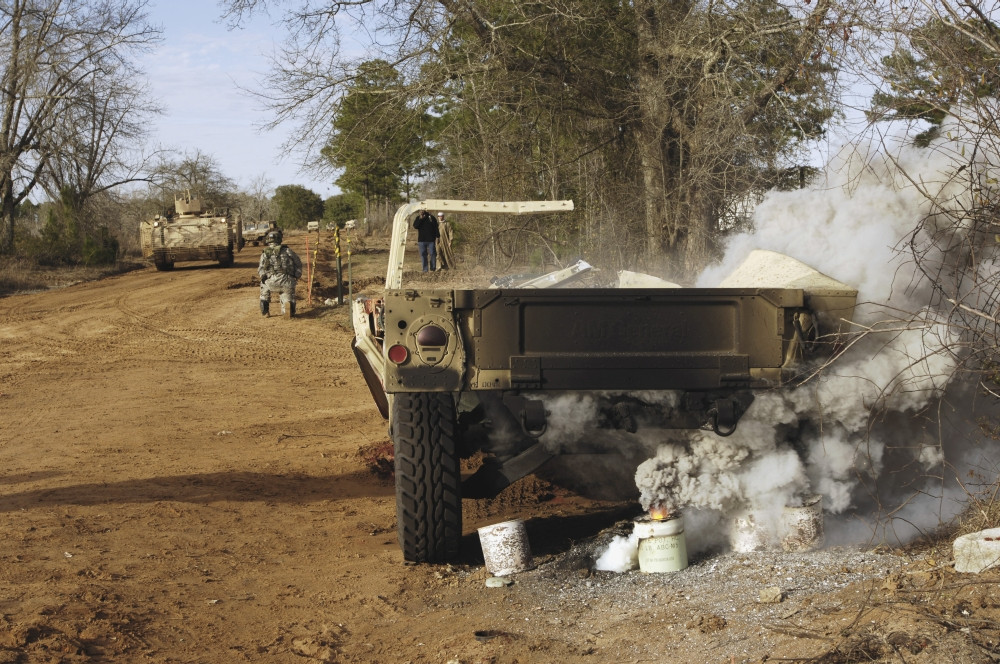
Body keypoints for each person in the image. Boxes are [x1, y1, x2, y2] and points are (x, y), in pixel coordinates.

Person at [258, 229, 303, 318]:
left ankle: (265, 312)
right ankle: (287, 307)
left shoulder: (265, 253)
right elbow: (298, 264)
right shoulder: (288, 251)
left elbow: (261, 268)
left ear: (268, 240)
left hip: (271, 281)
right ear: (279, 239)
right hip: (287, 280)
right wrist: (296, 275)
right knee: (287, 294)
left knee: (264, 291)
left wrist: (263, 276)